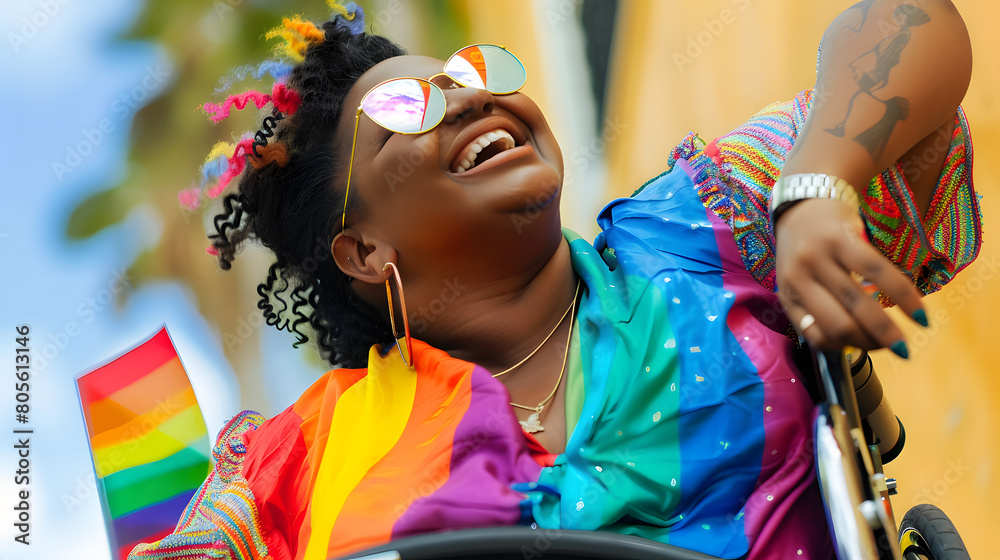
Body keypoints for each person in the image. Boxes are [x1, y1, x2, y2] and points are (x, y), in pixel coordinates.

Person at [133, 1, 980, 559]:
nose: (466, 100)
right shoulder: (293, 460)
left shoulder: (706, 227)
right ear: (363, 251)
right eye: (407, 114)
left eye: (469, 76)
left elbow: (909, 24)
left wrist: (814, 186)